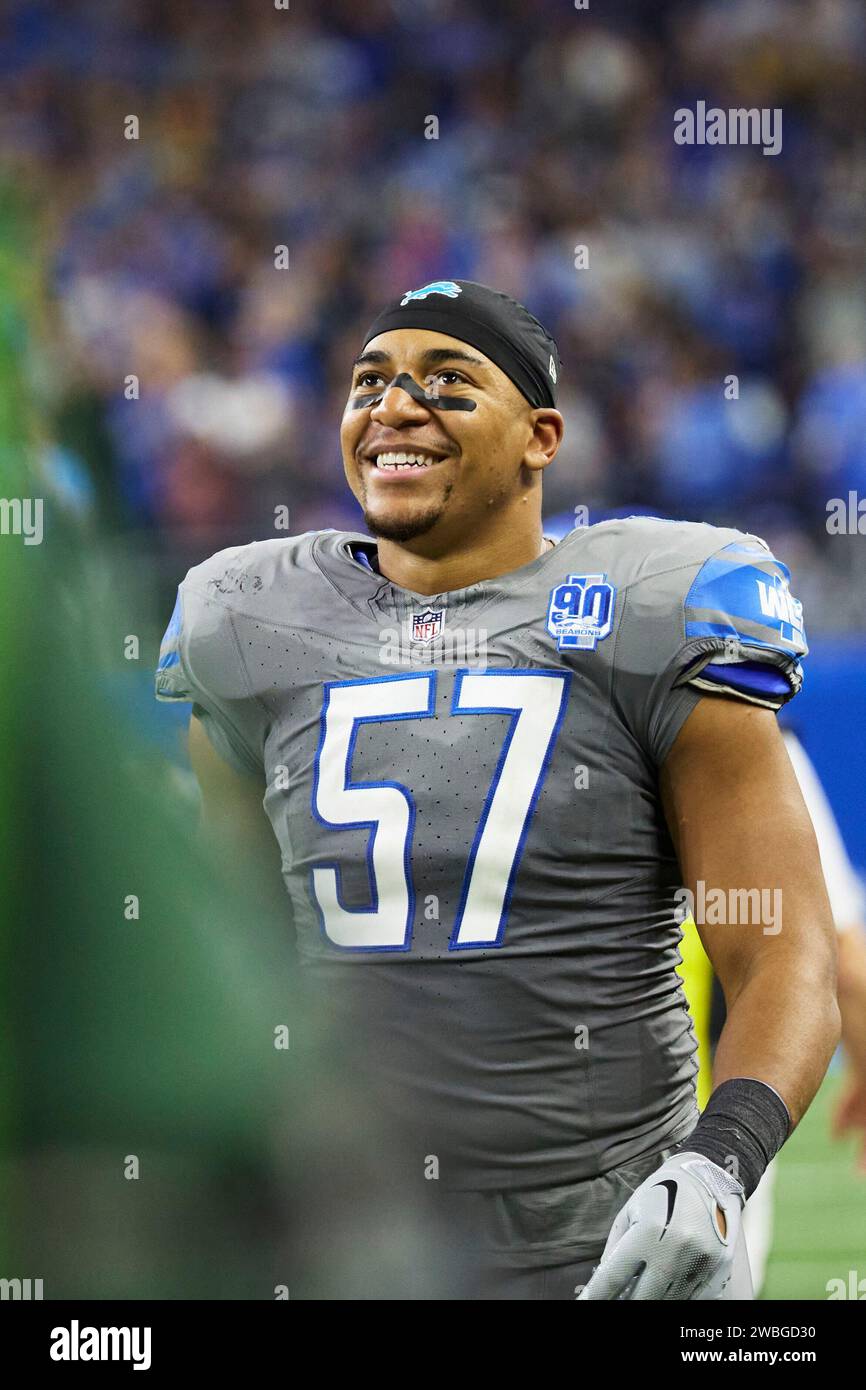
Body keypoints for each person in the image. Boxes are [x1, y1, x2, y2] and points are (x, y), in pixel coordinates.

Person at [156, 280, 839, 1300]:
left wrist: (716, 1163)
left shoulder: (649, 608)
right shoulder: (248, 621)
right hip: (359, 1249)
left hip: (609, 1248)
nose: (394, 407)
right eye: (369, 383)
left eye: (446, 382)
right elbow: (236, 959)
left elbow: (784, 953)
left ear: (539, 436)